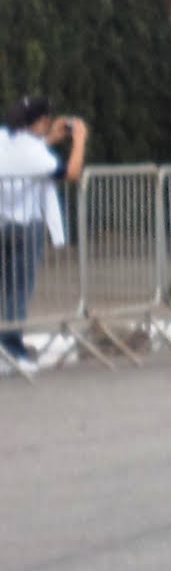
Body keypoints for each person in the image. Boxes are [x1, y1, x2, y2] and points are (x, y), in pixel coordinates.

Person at [0, 96, 87, 372]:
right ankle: (11, 349)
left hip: (2, 221)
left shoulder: (4, 137)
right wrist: (80, 139)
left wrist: (50, 138)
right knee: (18, 291)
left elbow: (25, 155)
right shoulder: (35, 153)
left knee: (5, 289)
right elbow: (70, 172)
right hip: (26, 225)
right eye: (46, 121)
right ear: (37, 121)